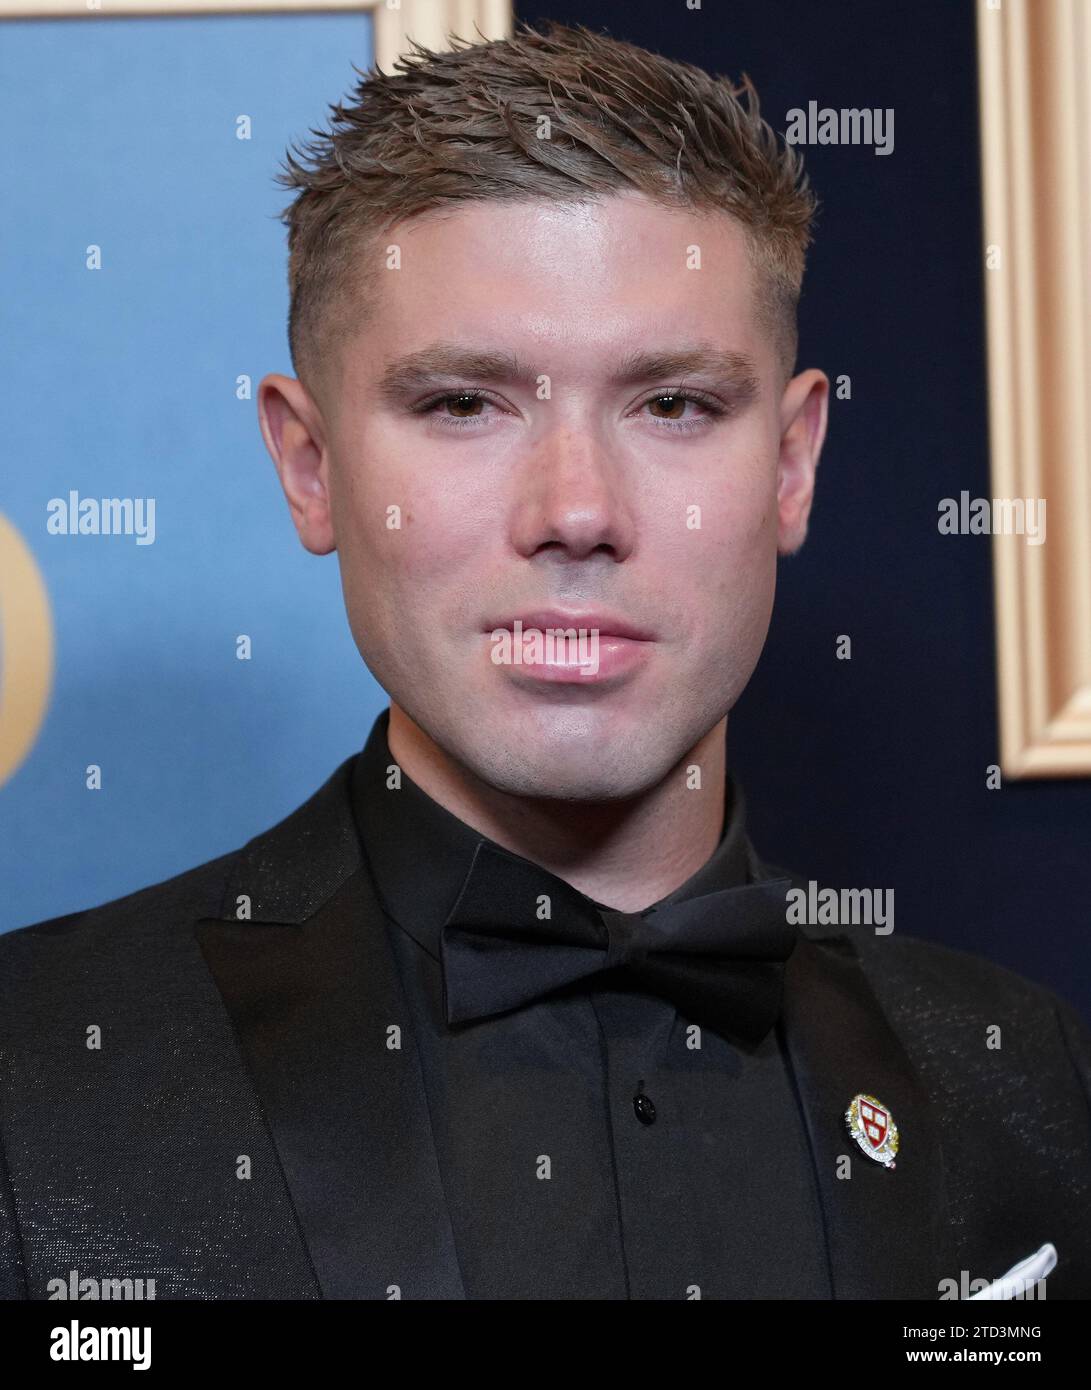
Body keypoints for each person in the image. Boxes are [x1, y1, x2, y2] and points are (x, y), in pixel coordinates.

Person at [1, 20, 1088, 1302]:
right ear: (309, 468)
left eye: (673, 403)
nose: (575, 510)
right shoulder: (33, 1069)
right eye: (463, 403)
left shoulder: (1025, 1077)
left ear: (792, 464)